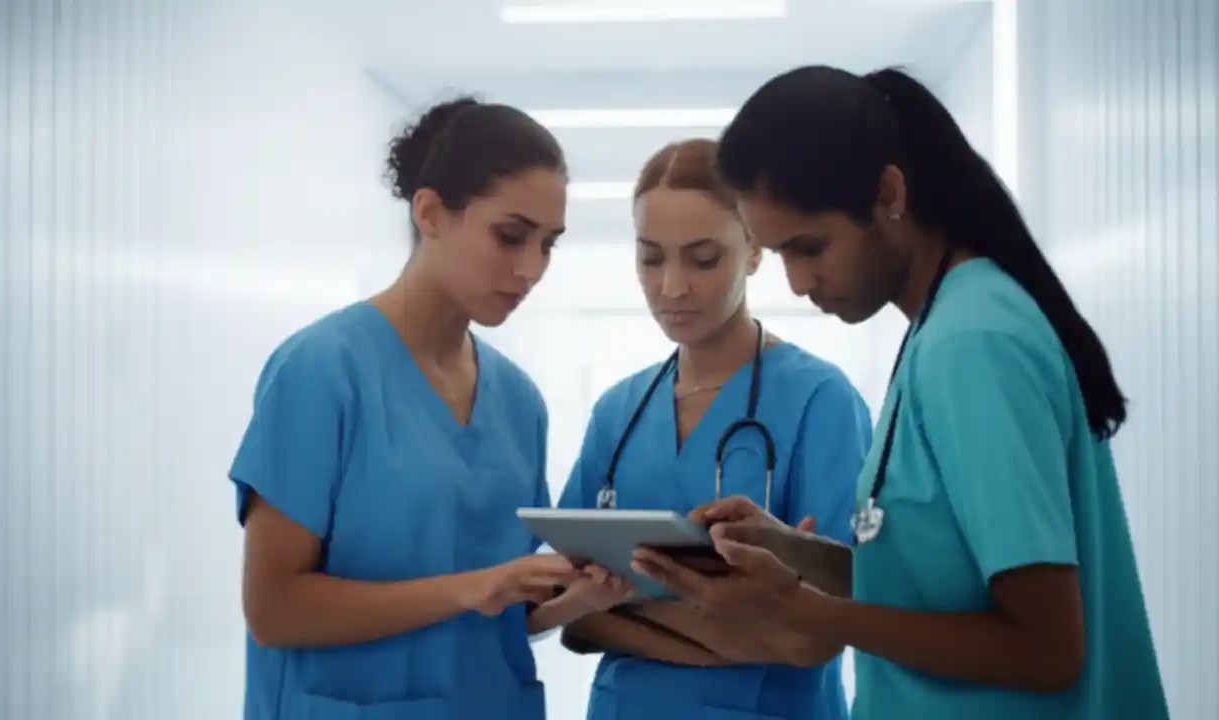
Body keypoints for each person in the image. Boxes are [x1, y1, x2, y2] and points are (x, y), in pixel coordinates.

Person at [629, 66, 1170, 719]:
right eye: (780, 254)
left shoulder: (973, 346)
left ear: (888, 193)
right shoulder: (946, 325)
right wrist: (794, 552)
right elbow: (943, 587)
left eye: (810, 247)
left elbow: (1046, 649)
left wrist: (801, 609)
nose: (799, 282)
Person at [227, 96, 632, 720]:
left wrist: (579, 599)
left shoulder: (519, 401)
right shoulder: (321, 371)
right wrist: (472, 588)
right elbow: (274, 609)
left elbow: (501, 613)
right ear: (431, 213)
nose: (531, 269)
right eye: (510, 236)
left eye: (548, 244)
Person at [556, 138, 873, 720]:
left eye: (703, 259)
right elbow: (571, 617)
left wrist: (629, 609)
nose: (672, 287)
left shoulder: (819, 401)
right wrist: (738, 629)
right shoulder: (616, 413)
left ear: (754, 250)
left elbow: (816, 637)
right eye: (651, 258)